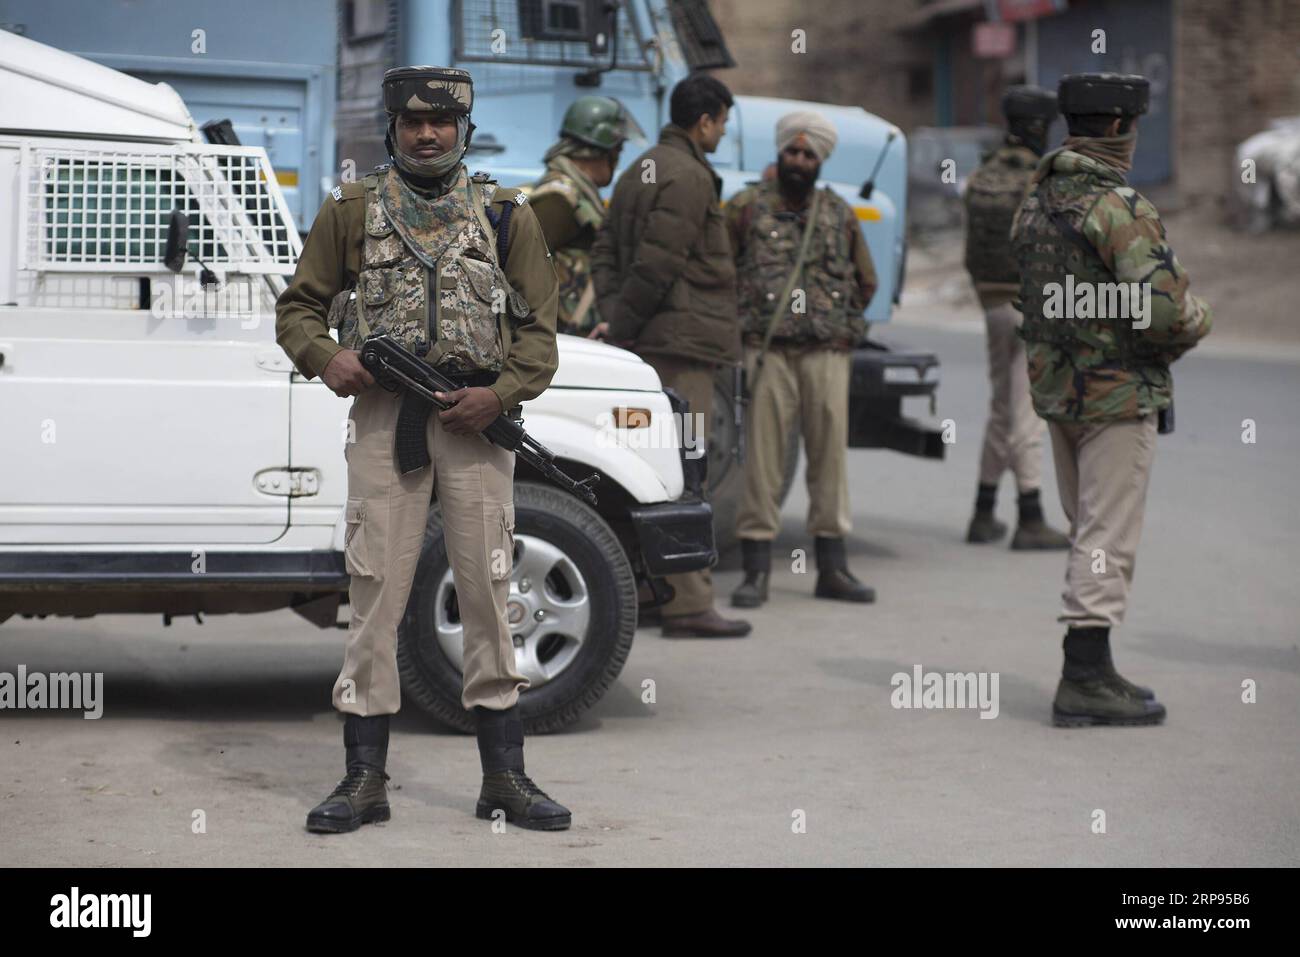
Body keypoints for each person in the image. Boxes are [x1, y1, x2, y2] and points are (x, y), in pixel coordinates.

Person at [276, 65, 572, 830]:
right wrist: (326, 357)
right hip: (384, 416)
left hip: (474, 418)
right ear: (394, 128)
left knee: (489, 591)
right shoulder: (351, 208)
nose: (427, 134)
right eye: (412, 123)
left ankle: (504, 777)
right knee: (374, 591)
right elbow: (299, 308)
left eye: (441, 123)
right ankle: (363, 780)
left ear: (464, 129)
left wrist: (499, 395)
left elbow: (540, 333)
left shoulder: (508, 213)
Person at [1011, 73, 1212, 726]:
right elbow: (1164, 314)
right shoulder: (1117, 205)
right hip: (1116, 396)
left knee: (1087, 528)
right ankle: (1085, 675)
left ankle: (1092, 666)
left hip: (1058, 392)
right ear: (1123, 129)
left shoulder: (1034, 203)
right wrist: (1199, 317)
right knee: (1106, 534)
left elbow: (1030, 299)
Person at [591, 73, 751, 639]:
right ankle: (687, 603)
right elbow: (659, 262)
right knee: (686, 473)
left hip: (649, 341)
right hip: (680, 347)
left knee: (648, 470)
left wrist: (614, 318)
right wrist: (625, 328)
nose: (722, 133)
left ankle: (649, 589)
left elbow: (606, 252)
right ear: (703, 121)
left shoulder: (642, 168)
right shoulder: (687, 175)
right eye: (722, 123)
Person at [726, 111, 879, 608]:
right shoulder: (747, 207)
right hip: (768, 354)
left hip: (826, 355)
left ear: (820, 160)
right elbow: (720, 271)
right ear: (780, 154)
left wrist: (848, 331)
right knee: (763, 463)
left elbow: (866, 280)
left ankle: (833, 568)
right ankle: (755, 572)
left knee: (829, 461)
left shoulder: (838, 213)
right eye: (791, 152)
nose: (798, 160)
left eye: (808, 154)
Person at [962, 86, 1070, 550]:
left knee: (1002, 407)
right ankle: (1030, 515)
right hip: (1029, 310)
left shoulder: (982, 174)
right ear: (1041, 128)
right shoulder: (1041, 179)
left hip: (990, 305)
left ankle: (983, 512)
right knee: (1028, 413)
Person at [527, 95, 640, 337]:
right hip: (560, 338)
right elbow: (524, 269)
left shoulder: (580, 194)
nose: (619, 159)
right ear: (598, 152)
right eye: (617, 150)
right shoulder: (559, 199)